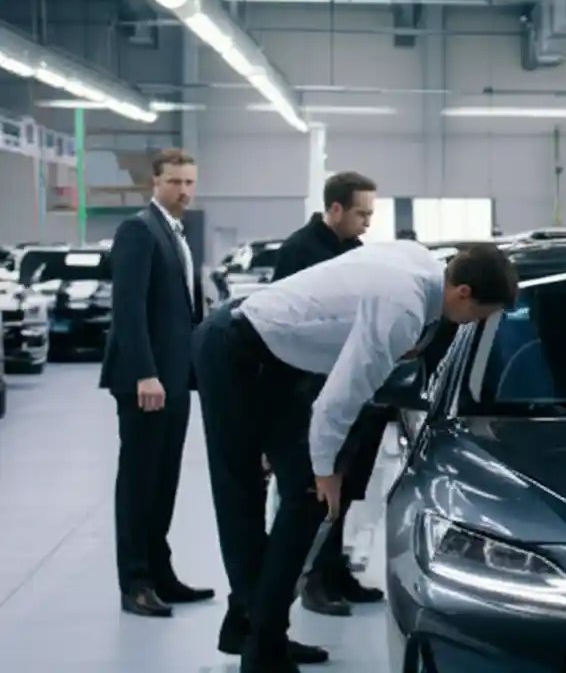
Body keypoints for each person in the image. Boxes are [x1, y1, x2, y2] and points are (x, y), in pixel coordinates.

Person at [193, 241, 517, 673]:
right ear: (462, 293)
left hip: (273, 357)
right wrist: (325, 470)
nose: (473, 324)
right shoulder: (402, 311)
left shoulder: (420, 266)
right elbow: (339, 401)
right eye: (479, 315)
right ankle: (260, 646)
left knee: (298, 498)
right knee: (255, 496)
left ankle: (254, 630)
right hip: (233, 352)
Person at [100, 148, 213, 617]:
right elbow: (127, 309)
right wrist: (145, 372)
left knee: (164, 479)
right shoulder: (138, 230)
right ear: (155, 182)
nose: (184, 191)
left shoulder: (177, 233)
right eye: (175, 182)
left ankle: (160, 571)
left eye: (190, 182)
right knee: (139, 481)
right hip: (146, 380)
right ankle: (136, 582)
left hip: (173, 378)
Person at [270, 171, 385, 616]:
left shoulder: (355, 252)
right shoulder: (299, 252)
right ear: (334, 209)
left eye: (371, 214)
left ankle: (335, 569)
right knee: (317, 489)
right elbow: (284, 325)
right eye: (361, 213)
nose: (367, 222)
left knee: (347, 484)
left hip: (348, 383)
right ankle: (314, 577)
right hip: (310, 390)